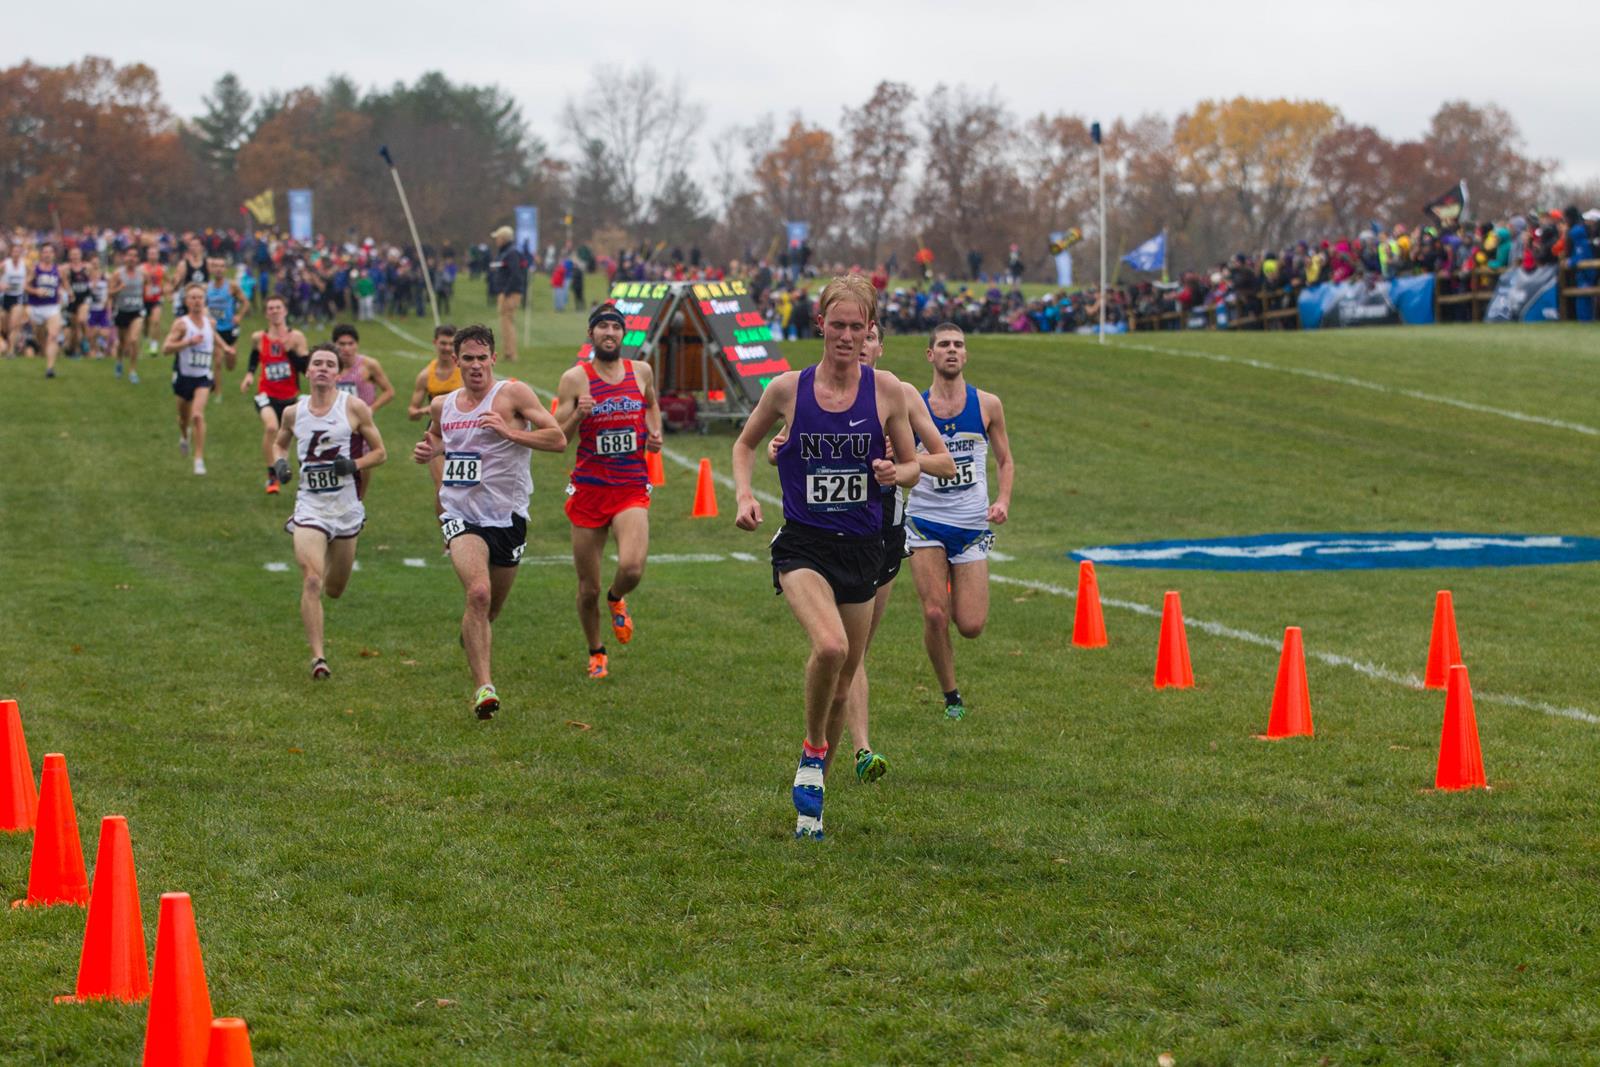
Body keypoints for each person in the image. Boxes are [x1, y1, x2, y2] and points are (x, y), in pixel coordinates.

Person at [731, 274, 922, 840]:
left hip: (863, 548)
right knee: (832, 647)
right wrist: (744, 492)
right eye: (835, 325)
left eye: (855, 327)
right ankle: (814, 752)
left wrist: (895, 471)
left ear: (869, 331)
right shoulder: (788, 389)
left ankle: (811, 808)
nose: (845, 336)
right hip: (804, 544)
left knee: (844, 683)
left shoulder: (886, 390)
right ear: (819, 325)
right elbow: (744, 445)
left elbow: (914, 465)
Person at [765, 321, 954, 782]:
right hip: (824, 531)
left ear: (879, 346)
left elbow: (942, 462)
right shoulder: (817, 393)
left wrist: (902, 462)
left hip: (881, 537)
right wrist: (782, 447)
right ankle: (859, 749)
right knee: (841, 650)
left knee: (855, 653)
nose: (858, 343)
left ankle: (829, 765)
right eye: (850, 332)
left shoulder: (898, 394)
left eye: (868, 336)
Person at [412, 324, 565, 719]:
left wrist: (510, 432)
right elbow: (438, 440)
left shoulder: (513, 394)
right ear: (456, 360)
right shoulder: (441, 405)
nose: (476, 365)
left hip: (508, 516)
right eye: (468, 359)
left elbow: (557, 438)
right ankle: (484, 688)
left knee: (490, 607)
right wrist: (428, 450)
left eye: (483, 358)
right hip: (460, 514)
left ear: (493, 359)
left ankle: (472, 633)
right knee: (478, 593)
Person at [904, 323, 1014, 721]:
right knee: (935, 613)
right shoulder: (912, 405)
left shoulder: (987, 405)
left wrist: (1002, 499)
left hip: (970, 526)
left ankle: (954, 583)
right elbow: (900, 459)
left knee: (970, 624)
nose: (952, 350)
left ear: (966, 355)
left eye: (959, 345)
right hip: (925, 520)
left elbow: (1004, 459)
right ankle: (951, 697)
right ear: (929, 355)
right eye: (944, 345)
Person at [554, 303, 663, 680]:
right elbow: (557, 438)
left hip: (631, 485)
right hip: (588, 490)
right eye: (602, 327)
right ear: (591, 335)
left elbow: (652, 404)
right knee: (587, 588)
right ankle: (596, 651)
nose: (609, 333)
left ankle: (617, 598)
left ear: (623, 334)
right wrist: (577, 416)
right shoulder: (575, 379)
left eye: (615, 328)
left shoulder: (641, 371)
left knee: (631, 567)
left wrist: (654, 430)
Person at [271, 344, 388, 680]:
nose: (322, 368)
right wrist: (280, 463)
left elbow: (380, 453)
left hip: (346, 508)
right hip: (310, 506)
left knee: (334, 589)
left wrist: (354, 463)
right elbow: (280, 442)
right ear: (307, 371)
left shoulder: (354, 408)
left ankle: (324, 618)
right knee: (311, 580)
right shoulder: (293, 413)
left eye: (329, 364)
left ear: (338, 374)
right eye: (316, 363)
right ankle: (318, 658)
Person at [161, 283, 236, 475]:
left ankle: (199, 459)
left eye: (199, 298)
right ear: (186, 301)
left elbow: (214, 336)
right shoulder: (182, 324)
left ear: (205, 301)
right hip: (184, 377)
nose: (196, 301)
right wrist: (187, 342)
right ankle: (184, 436)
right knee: (183, 418)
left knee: (197, 415)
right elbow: (166, 348)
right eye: (192, 298)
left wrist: (226, 348)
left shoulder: (210, 323)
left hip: (203, 377)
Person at [240, 295, 309, 495]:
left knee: (294, 435)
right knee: (271, 427)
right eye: (270, 308)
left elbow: (305, 369)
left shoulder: (296, 337)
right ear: (266, 313)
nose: (275, 311)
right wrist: (249, 374)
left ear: (285, 311)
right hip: (266, 394)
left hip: (290, 396)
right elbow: (254, 354)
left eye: (278, 307)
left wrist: (291, 353)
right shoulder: (258, 337)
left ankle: (301, 472)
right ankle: (272, 475)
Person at [331, 323, 395, 499]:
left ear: (357, 344)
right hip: (337, 422)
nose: (346, 348)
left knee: (365, 460)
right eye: (341, 344)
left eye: (350, 343)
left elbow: (389, 391)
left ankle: (360, 498)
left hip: (361, 424)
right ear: (335, 345)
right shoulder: (330, 367)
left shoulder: (368, 365)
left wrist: (371, 409)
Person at [407, 323, 463, 519]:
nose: (447, 348)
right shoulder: (426, 375)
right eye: (443, 343)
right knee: (442, 487)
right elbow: (411, 411)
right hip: (436, 434)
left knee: (465, 487)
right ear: (435, 343)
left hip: (464, 434)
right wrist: (425, 410)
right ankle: (448, 542)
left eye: (451, 344)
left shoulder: (463, 371)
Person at [204, 257, 246, 398]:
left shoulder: (231, 286)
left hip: (230, 328)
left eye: (221, 266)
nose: (218, 269)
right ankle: (218, 393)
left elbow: (245, 302)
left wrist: (239, 316)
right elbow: (203, 306)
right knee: (217, 361)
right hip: (214, 330)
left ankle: (216, 383)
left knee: (230, 365)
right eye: (215, 266)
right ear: (211, 269)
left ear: (225, 269)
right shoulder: (206, 287)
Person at [486, 226, 527, 362]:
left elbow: (515, 274)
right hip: (505, 292)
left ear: (503, 238)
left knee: (508, 322)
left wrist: (506, 291)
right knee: (505, 322)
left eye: (498, 237)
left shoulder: (512, 253)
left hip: (510, 293)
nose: (496, 240)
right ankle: (508, 352)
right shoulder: (506, 252)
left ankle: (511, 353)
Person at [24, 243, 65, 378]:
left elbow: (64, 284)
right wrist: (36, 291)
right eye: (45, 252)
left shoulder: (58, 270)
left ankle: (50, 368)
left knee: (53, 336)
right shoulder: (35, 270)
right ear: (41, 254)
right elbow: (25, 286)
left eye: (50, 252)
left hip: (52, 307)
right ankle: (43, 351)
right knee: (40, 336)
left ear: (53, 254)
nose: (47, 254)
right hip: (36, 307)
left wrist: (68, 293)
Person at [108, 245, 147, 382]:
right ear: (125, 257)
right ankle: (119, 362)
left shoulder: (142, 274)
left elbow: (145, 291)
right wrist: (119, 288)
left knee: (134, 340)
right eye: (129, 255)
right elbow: (110, 293)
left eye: (134, 256)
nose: (132, 258)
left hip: (137, 311)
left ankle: (133, 370)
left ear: (138, 259)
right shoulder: (118, 273)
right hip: (122, 311)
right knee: (122, 343)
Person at [141, 245, 166, 356]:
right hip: (143, 299)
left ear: (158, 255)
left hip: (157, 299)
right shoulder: (142, 268)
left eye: (154, 254)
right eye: (150, 253)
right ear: (147, 255)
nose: (153, 256)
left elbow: (168, 281)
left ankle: (154, 346)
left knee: (155, 321)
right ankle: (146, 337)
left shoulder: (162, 269)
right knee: (145, 323)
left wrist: (166, 291)